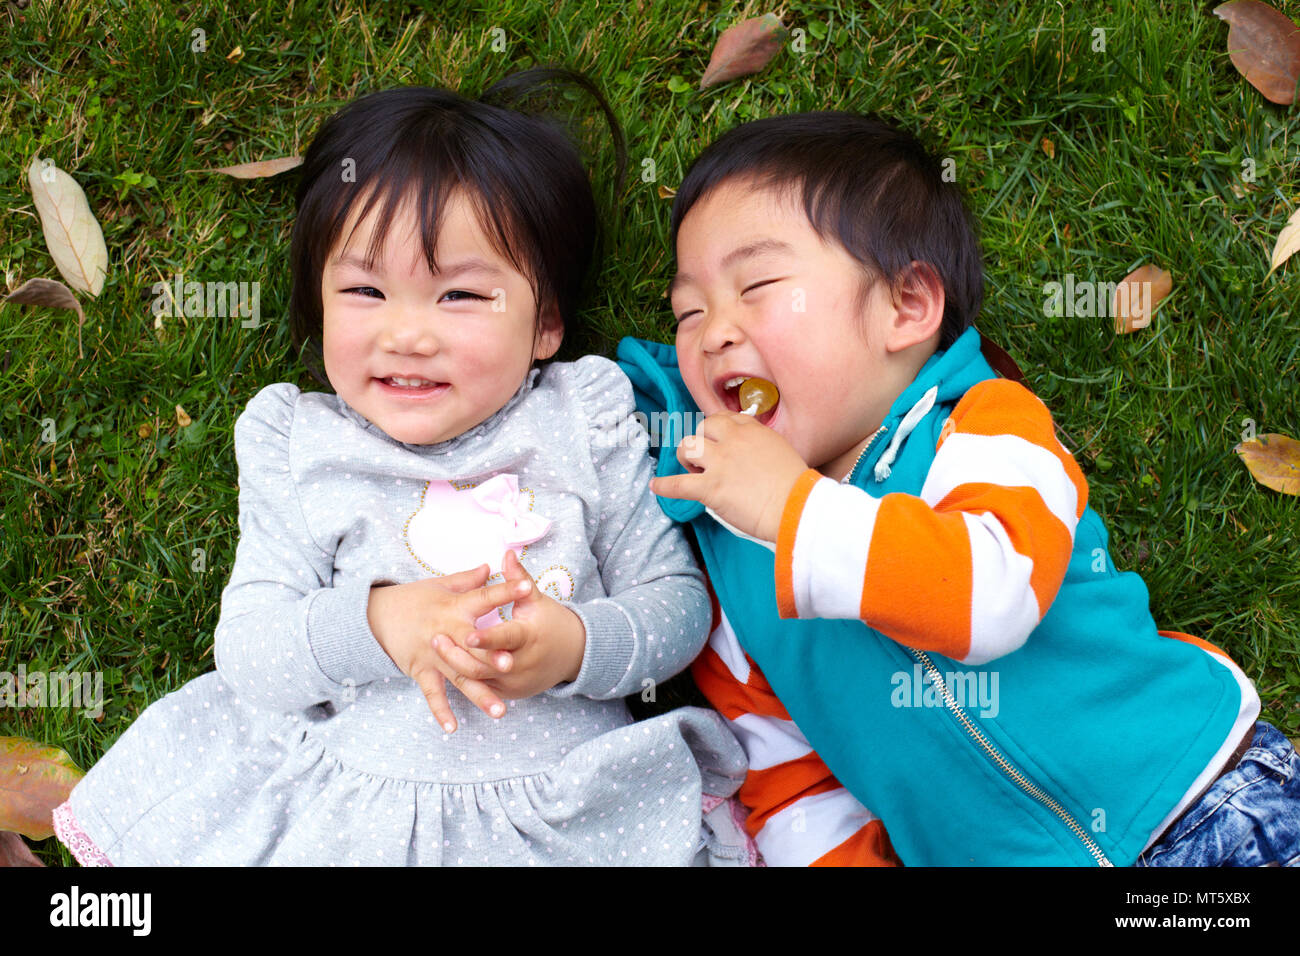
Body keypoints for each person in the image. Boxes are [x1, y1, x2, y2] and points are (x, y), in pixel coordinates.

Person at [51, 69, 749, 867]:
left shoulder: (582, 419)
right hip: (350, 815)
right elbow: (250, 649)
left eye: (458, 296)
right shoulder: (301, 444)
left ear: (547, 323)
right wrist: (379, 623)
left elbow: (678, 607)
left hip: (566, 815)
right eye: (364, 290)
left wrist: (577, 645)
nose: (408, 334)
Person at [616, 111, 1300, 866]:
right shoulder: (729, 572)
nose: (712, 332)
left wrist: (791, 509)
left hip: (1202, 808)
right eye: (689, 311)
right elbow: (790, 782)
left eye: (759, 286)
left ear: (907, 308)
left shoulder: (984, 426)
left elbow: (989, 595)